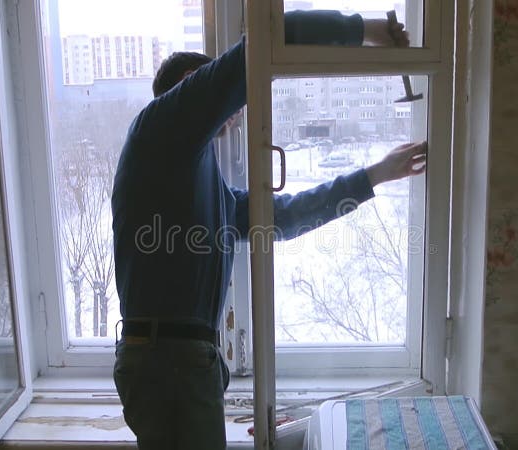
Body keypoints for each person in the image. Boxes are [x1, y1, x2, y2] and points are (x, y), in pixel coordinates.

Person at [111, 9, 426, 450]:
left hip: (178, 362)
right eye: (233, 101)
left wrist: (374, 175)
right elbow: (273, 36)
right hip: (171, 363)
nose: (240, 112)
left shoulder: (200, 183)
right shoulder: (160, 130)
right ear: (189, 84)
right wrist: (370, 31)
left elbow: (286, 216)